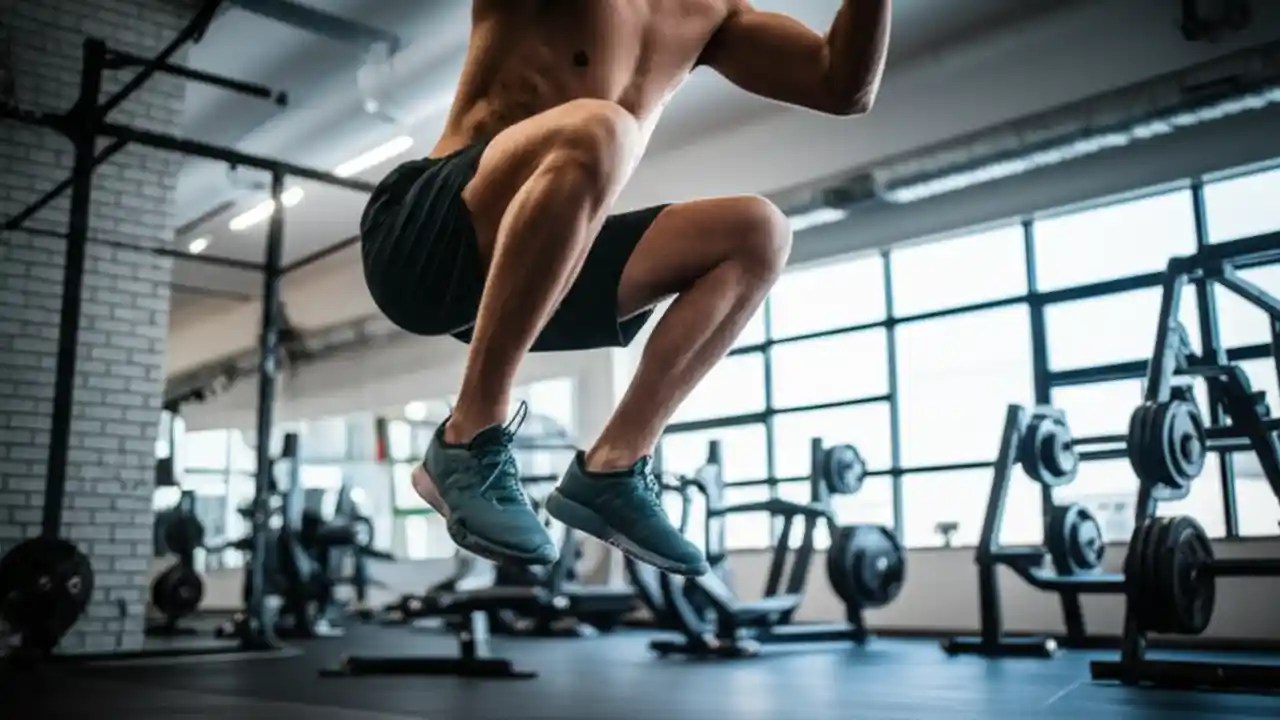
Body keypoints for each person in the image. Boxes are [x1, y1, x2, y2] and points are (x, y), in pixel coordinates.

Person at [361, 0, 891, 576]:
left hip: (537, 268)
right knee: (603, 127)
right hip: (427, 241)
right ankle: (468, 435)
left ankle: (616, 465)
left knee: (759, 232)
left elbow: (843, 85)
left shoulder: (713, 13)